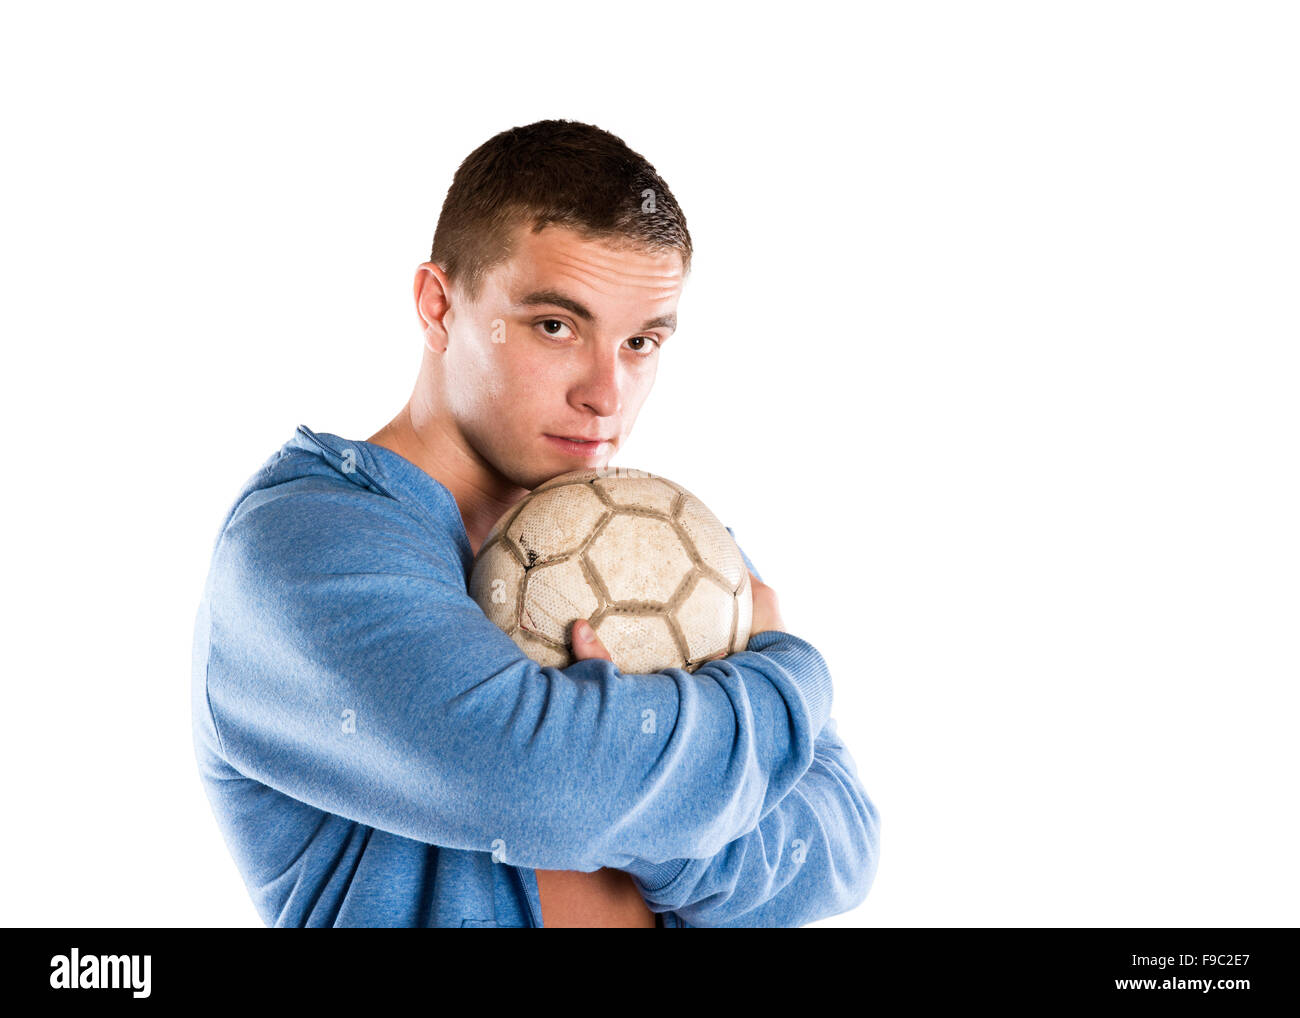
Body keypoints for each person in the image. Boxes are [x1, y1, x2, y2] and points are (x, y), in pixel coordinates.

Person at [191, 119, 881, 927]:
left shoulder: (667, 548)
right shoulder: (300, 549)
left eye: (641, 341)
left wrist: (639, 791)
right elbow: (539, 787)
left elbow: (839, 851)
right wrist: (785, 677)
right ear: (438, 305)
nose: (606, 393)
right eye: (556, 326)